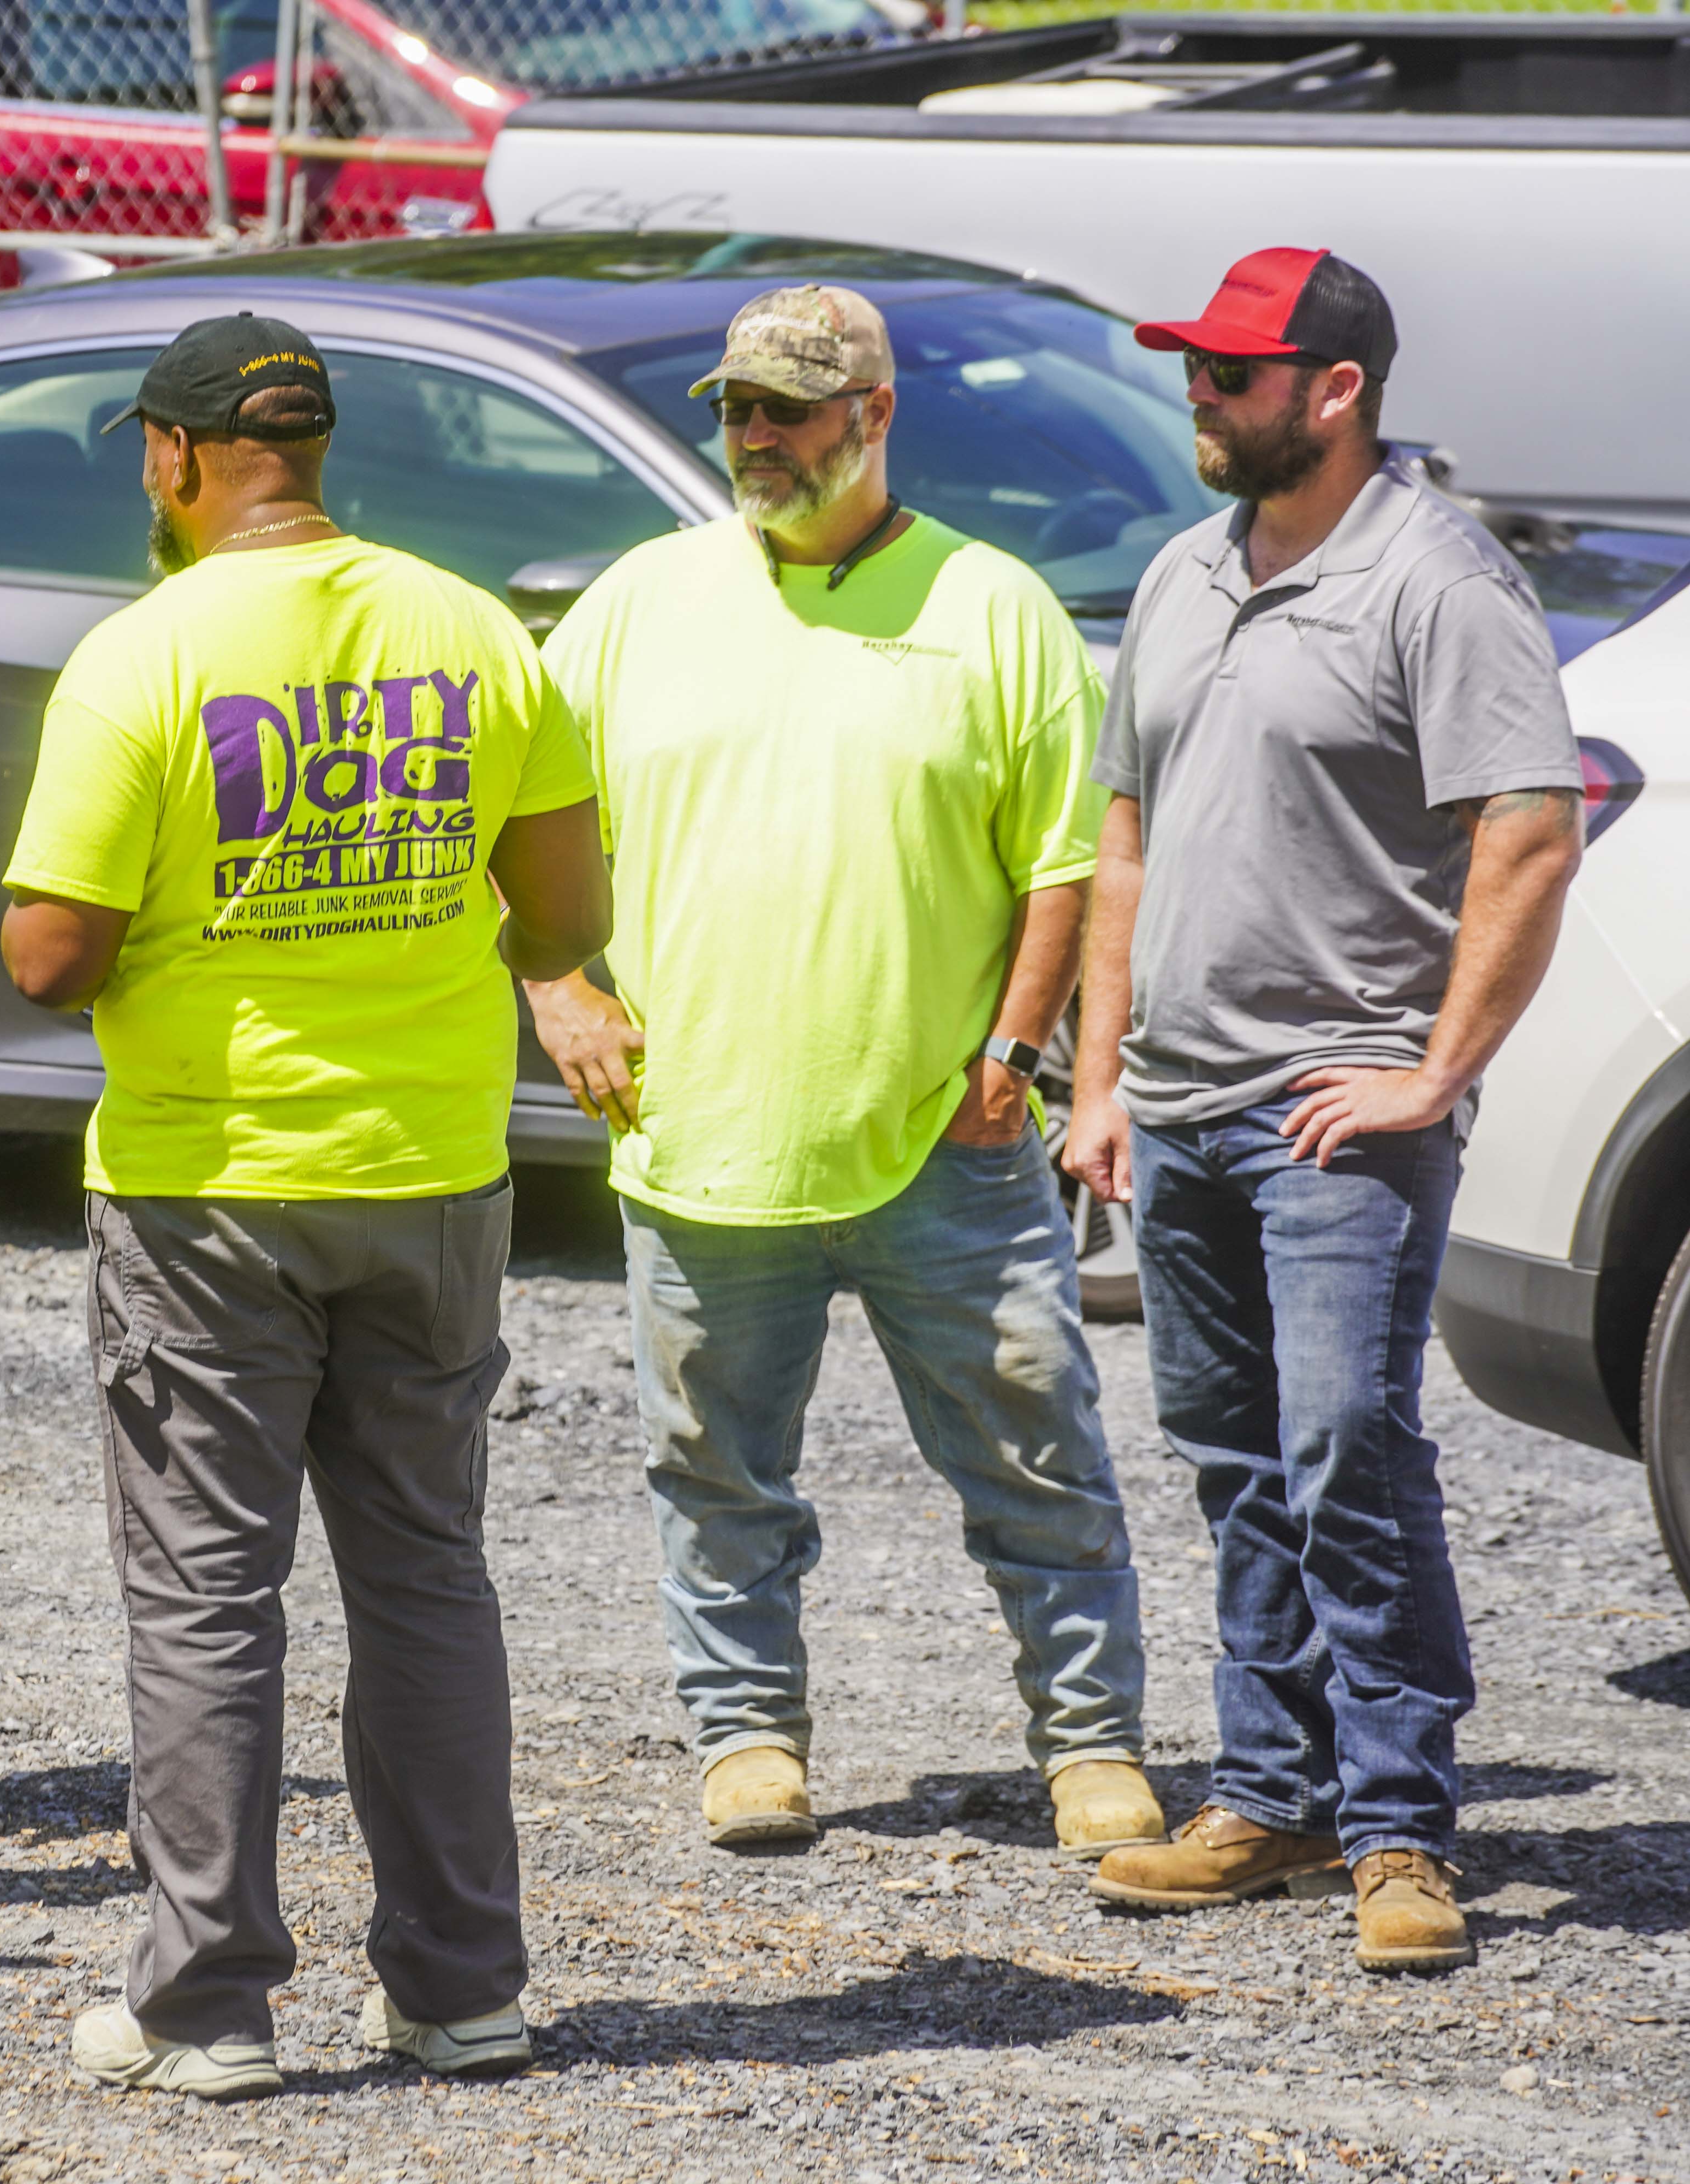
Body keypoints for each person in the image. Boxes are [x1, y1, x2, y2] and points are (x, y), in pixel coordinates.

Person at [1, 313, 613, 2099]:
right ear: (318, 449)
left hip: (210, 1185)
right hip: (430, 1173)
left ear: (179, 458)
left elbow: (49, 953)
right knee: (427, 1580)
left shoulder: (145, 654)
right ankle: (460, 1987)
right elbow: (562, 918)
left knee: (207, 1598)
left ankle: (207, 2007)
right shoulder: (477, 630)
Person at [529, 284, 1164, 1861]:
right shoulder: (642, 600)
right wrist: (557, 984)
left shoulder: (992, 606)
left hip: (947, 1132)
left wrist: (1018, 1054)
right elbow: (521, 821)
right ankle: (748, 1737)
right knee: (716, 1469)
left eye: (787, 411)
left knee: (1038, 1459)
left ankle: (1090, 1749)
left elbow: (1065, 864)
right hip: (699, 1134)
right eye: (737, 408)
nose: (752, 437)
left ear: (874, 416)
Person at [1066, 250, 1584, 1973]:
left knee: (1347, 1448)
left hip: (1336, 1119)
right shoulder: (1182, 571)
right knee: (1233, 1463)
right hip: (1183, 1104)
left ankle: (1399, 1830)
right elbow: (1125, 838)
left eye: (1231, 373)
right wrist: (1101, 1082)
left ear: (1335, 389)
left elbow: (1528, 827)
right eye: (1197, 368)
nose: (1198, 396)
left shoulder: (1436, 579)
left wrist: (1433, 1076)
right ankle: (1272, 1797)